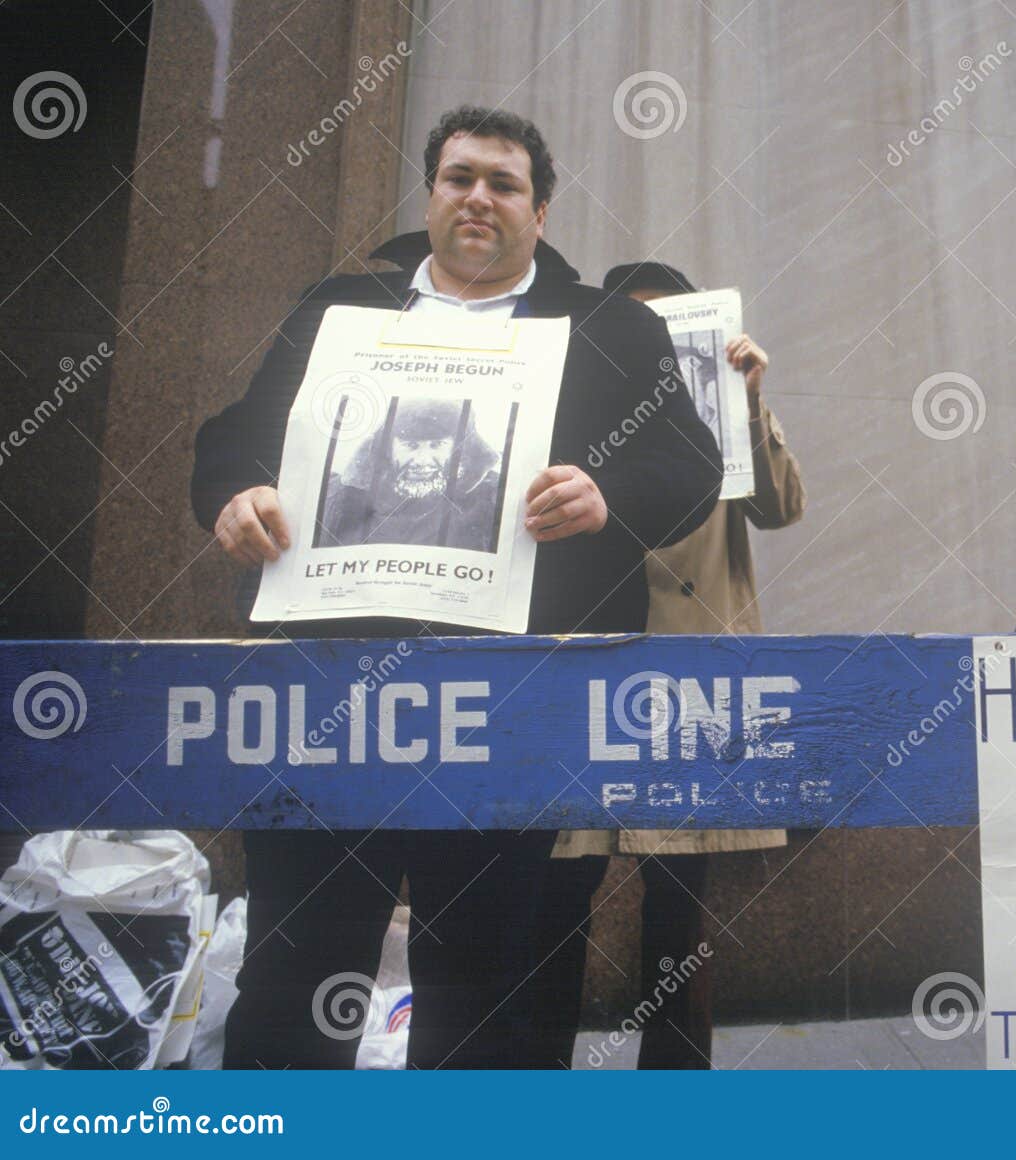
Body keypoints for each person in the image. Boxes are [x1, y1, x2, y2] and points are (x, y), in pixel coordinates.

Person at [189, 106, 723, 1068]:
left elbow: (689, 465)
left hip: (512, 711)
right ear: (432, 194)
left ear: (542, 212)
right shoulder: (337, 312)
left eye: (504, 183)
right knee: (293, 973)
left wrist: (610, 492)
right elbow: (232, 440)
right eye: (458, 177)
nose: (479, 196)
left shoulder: (609, 329)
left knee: (497, 992)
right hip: (331, 701)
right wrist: (235, 497)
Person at [531, 261, 806, 1069]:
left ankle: (675, 1089)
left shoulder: (718, 414)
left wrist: (750, 399)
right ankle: (536, 1079)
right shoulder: (580, 408)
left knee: (681, 900)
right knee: (558, 890)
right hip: (589, 667)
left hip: (693, 673)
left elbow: (783, 506)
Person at [317, 397, 503, 552]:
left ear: (457, 448)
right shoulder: (340, 497)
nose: (422, 460)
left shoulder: (493, 497)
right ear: (389, 447)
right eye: (410, 446)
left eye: (437, 445)